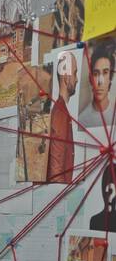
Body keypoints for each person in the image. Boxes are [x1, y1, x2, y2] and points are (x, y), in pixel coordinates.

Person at [48, 49, 77, 183]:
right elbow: (56, 168)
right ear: (66, 77)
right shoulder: (61, 113)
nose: (76, 80)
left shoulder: (61, 109)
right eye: (75, 73)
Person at [78, 43, 113, 130]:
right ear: (91, 78)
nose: (100, 81)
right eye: (96, 74)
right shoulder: (82, 120)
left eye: (105, 72)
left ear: (110, 78)